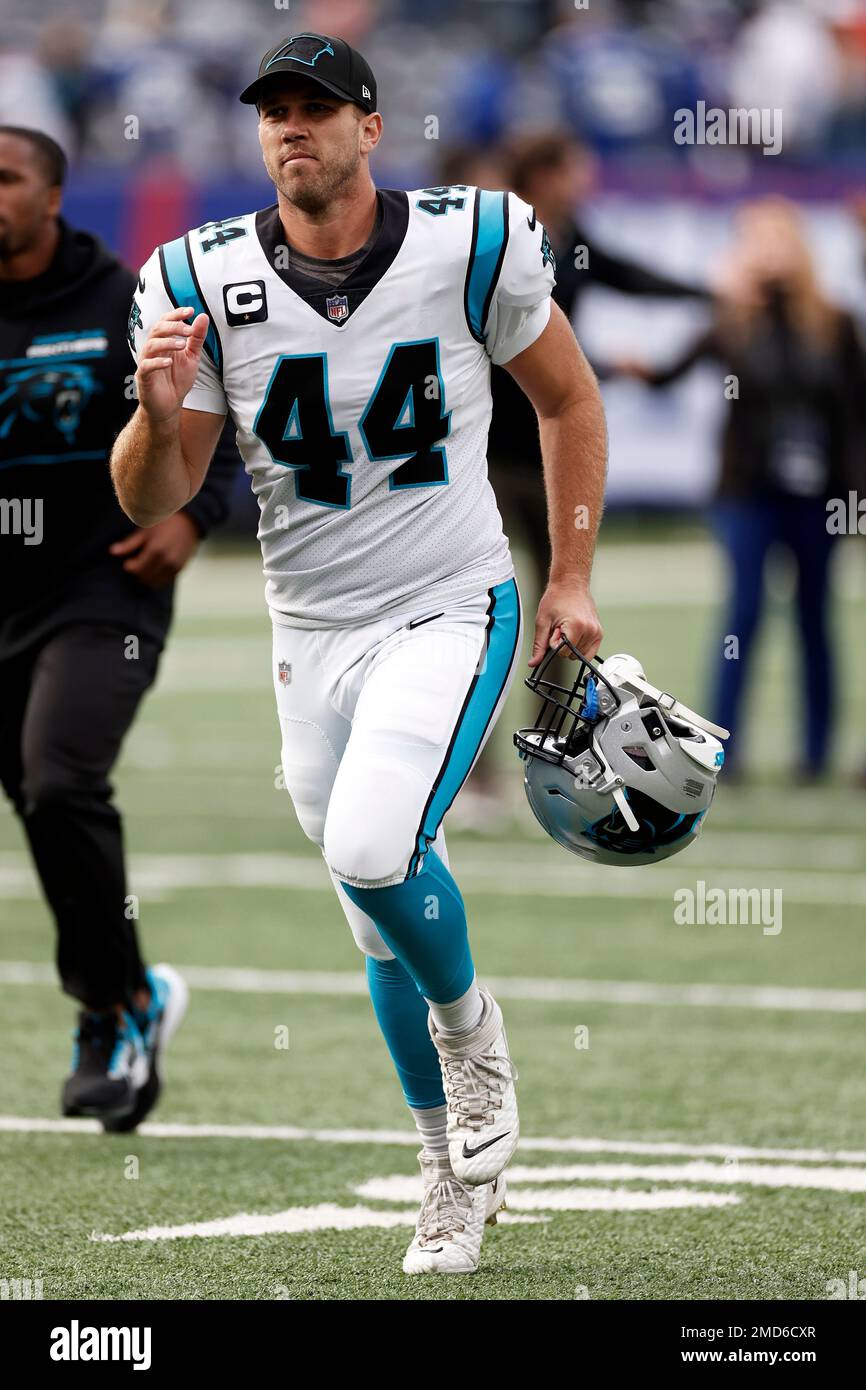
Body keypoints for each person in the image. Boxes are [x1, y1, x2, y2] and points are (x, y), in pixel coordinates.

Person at [111, 32, 606, 1275]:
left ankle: (474, 1035)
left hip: (447, 602)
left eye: (317, 110)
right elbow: (149, 499)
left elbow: (565, 399)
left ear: (369, 129)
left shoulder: (467, 241)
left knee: (374, 846)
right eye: (275, 111)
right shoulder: (199, 275)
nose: (294, 129)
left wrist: (576, 574)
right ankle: (443, 1169)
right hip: (307, 631)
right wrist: (155, 413)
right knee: (373, 914)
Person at [0, 126, 241, 1131]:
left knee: (60, 778)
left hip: (103, 590)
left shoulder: (125, 301)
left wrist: (194, 513)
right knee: (40, 809)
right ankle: (126, 991)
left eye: (4, 178)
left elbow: (222, 416)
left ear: (52, 196)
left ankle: (110, 1014)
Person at [460, 131, 708, 822]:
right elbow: (508, 340)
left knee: (559, 615)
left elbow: (629, 275)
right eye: (575, 167)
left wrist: (706, 290)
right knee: (480, 614)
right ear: (546, 172)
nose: (587, 178)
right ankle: (470, 770)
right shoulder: (497, 238)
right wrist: (600, 355)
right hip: (483, 456)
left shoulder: (575, 240)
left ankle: (541, 755)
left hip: (549, 459)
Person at [614, 197, 866, 777]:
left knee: (815, 617)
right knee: (744, 612)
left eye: (778, 239)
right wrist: (636, 370)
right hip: (746, 492)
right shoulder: (731, 323)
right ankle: (721, 747)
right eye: (756, 240)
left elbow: (853, 414)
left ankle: (817, 754)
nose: (769, 252)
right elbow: (670, 373)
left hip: (818, 496)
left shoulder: (834, 323)